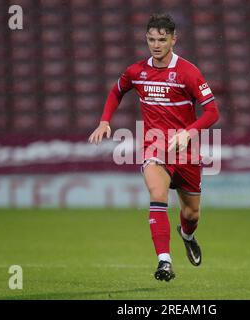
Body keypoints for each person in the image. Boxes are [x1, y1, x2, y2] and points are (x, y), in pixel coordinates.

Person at [88, 13, 219, 281]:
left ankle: (187, 235)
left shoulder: (188, 72)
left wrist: (188, 132)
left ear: (173, 39)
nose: (156, 45)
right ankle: (164, 262)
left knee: (191, 213)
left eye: (162, 39)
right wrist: (104, 121)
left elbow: (212, 112)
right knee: (157, 194)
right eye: (151, 40)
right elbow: (117, 91)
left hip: (186, 151)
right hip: (154, 146)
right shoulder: (137, 71)